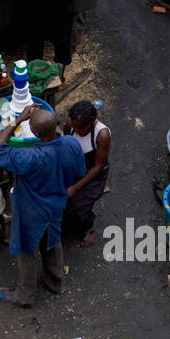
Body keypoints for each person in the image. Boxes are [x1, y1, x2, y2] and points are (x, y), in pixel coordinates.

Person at [0, 106, 85, 308]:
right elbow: (78, 173)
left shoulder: (30, 157)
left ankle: (24, 295)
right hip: (57, 204)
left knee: (27, 250)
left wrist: (17, 121)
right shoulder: (71, 144)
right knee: (52, 242)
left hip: (31, 211)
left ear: (35, 133)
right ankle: (55, 282)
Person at [63, 101, 111, 247]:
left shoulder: (102, 135)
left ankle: (88, 229)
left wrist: (76, 187)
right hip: (76, 169)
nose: (75, 130)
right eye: (73, 126)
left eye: (80, 128)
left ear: (91, 124)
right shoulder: (70, 125)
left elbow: (99, 166)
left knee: (79, 208)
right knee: (67, 204)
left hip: (93, 175)